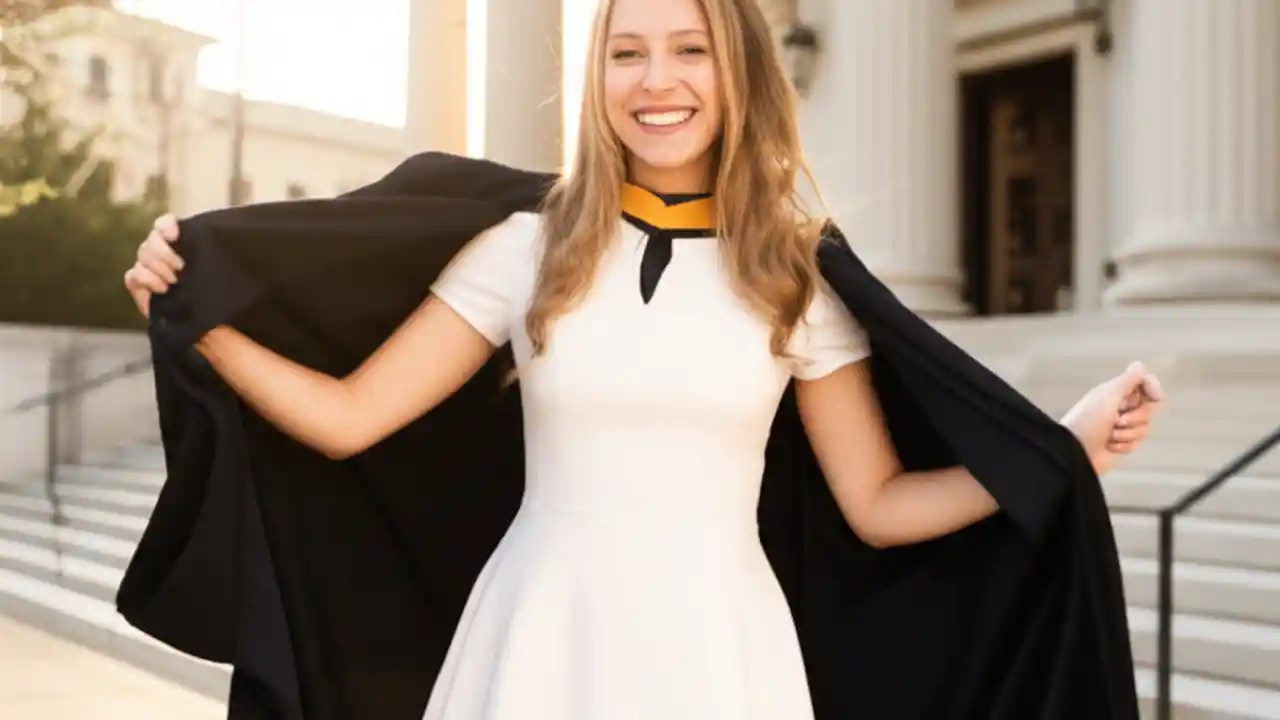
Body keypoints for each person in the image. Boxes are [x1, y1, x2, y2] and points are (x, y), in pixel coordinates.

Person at [122, 0, 1161, 717]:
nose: (654, 81)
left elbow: (877, 503)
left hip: (719, 647)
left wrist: (1056, 451)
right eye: (626, 52)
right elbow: (348, 418)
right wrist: (194, 314)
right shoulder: (523, 248)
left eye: (688, 49)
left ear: (739, 70)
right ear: (598, 76)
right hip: (538, 633)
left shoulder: (794, 275)